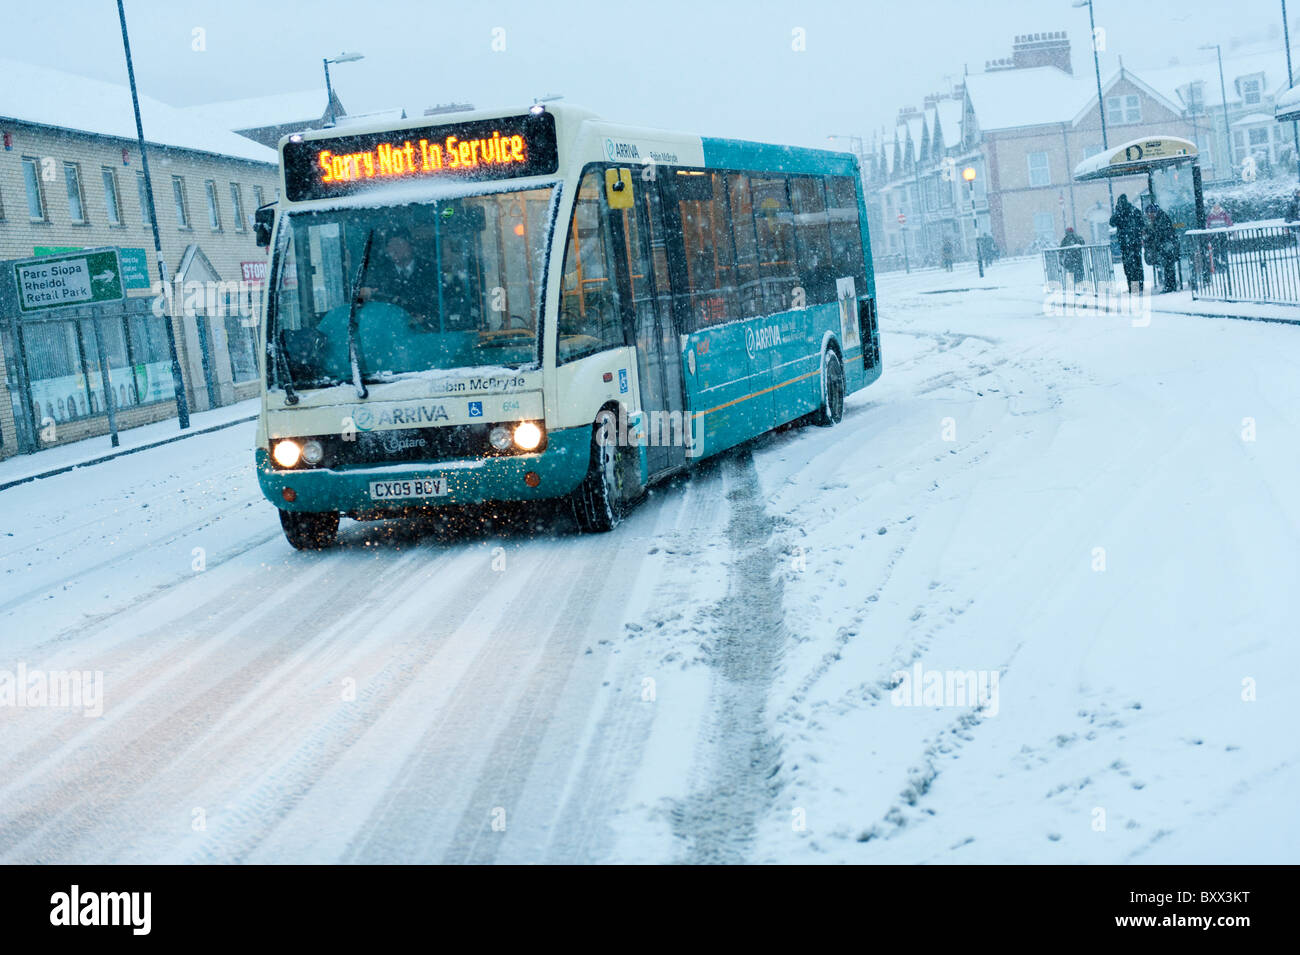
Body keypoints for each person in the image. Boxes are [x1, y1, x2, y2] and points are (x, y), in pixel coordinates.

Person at [1110, 193, 1145, 292]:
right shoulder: (1134, 210)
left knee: (1129, 267)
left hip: (1125, 244)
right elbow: (1142, 223)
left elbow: (1112, 222)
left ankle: (1133, 288)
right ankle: (1139, 286)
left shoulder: (1120, 213)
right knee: (1137, 265)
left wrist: (1117, 211)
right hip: (1135, 243)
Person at [1144, 204, 1179, 293]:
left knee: (1168, 266)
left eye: (1150, 213)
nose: (1149, 216)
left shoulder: (1161, 219)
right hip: (1165, 246)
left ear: (1154, 212)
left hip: (1167, 246)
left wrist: (1151, 237)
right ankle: (1169, 285)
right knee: (1167, 267)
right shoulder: (1160, 218)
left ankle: (1170, 286)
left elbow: (1161, 233)